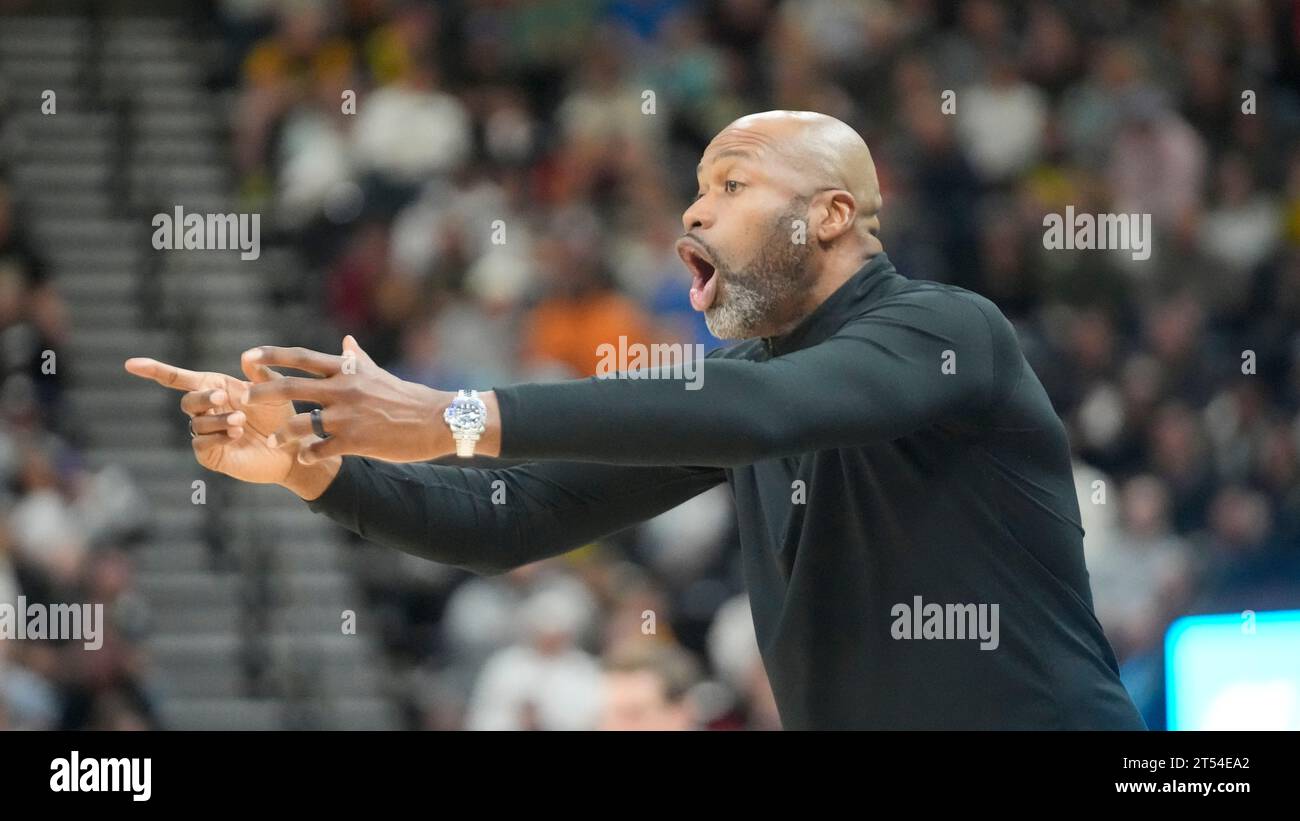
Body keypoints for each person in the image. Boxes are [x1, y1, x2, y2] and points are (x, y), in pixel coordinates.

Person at [126, 110, 1146, 730]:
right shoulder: (754, 387)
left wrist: (457, 412)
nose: (693, 213)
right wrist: (316, 470)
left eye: (732, 184)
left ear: (831, 215)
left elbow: (764, 409)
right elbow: (505, 519)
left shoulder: (943, 329)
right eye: (695, 190)